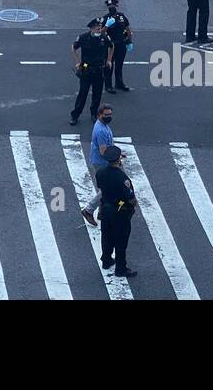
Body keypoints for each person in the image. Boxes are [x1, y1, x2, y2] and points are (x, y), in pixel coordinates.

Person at [95, 146, 139, 278]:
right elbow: (131, 199)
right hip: (120, 211)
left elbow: (101, 187)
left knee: (106, 236)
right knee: (121, 240)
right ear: (118, 159)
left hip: (105, 208)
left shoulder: (100, 172)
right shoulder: (123, 178)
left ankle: (106, 260)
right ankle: (120, 268)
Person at [70, 17, 111, 125]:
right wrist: (77, 62)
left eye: (100, 28)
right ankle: (75, 115)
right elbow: (73, 48)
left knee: (97, 95)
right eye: (97, 28)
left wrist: (109, 60)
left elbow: (112, 46)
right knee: (82, 94)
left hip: (99, 70)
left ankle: (94, 114)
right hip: (86, 70)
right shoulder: (83, 38)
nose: (99, 30)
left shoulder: (103, 38)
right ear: (92, 29)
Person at [81, 104, 116, 225]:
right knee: (107, 189)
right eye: (106, 115)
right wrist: (115, 158)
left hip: (100, 161)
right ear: (100, 114)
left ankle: (101, 211)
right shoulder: (101, 130)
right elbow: (103, 151)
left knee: (104, 187)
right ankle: (89, 210)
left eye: (110, 114)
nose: (109, 117)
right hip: (102, 163)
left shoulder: (103, 125)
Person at [101, 0, 133, 94]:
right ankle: (108, 85)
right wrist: (107, 25)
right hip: (110, 45)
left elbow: (127, 28)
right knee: (109, 64)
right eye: (110, 6)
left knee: (119, 64)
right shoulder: (106, 18)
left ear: (116, 6)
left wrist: (129, 40)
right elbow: (101, 32)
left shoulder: (121, 16)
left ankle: (119, 83)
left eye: (113, 6)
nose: (112, 8)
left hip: (121, 43)